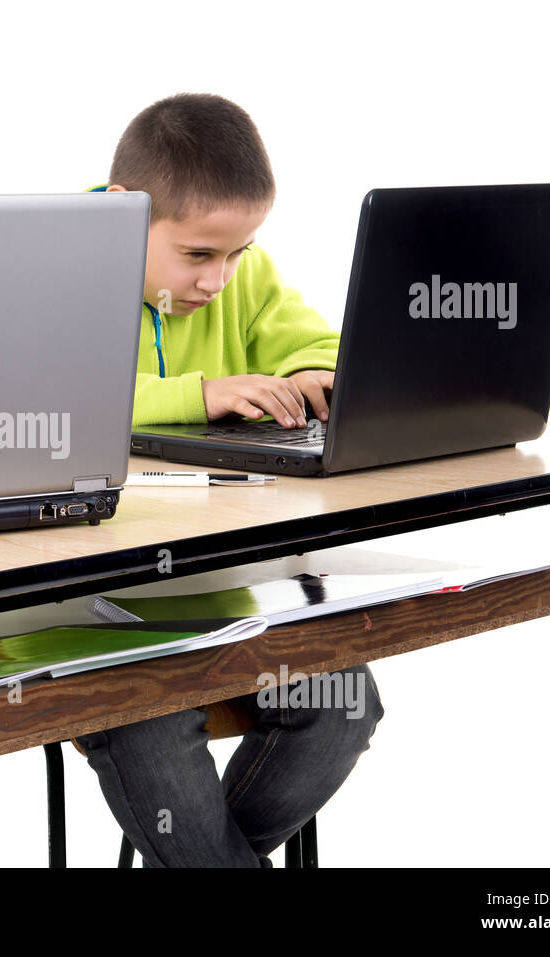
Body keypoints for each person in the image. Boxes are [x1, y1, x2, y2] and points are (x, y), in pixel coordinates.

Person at [73, 93, 383, 867]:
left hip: (222, 582)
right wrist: (200, 393)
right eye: (200, 256)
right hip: (82, 600)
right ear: (122, 214)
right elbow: (46, 399)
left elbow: (316, 338)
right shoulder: (53, 260)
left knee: (341, 702)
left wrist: (316, 370)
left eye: (239, 252)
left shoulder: (239, 267)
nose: (222, 278)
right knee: (149, 726)